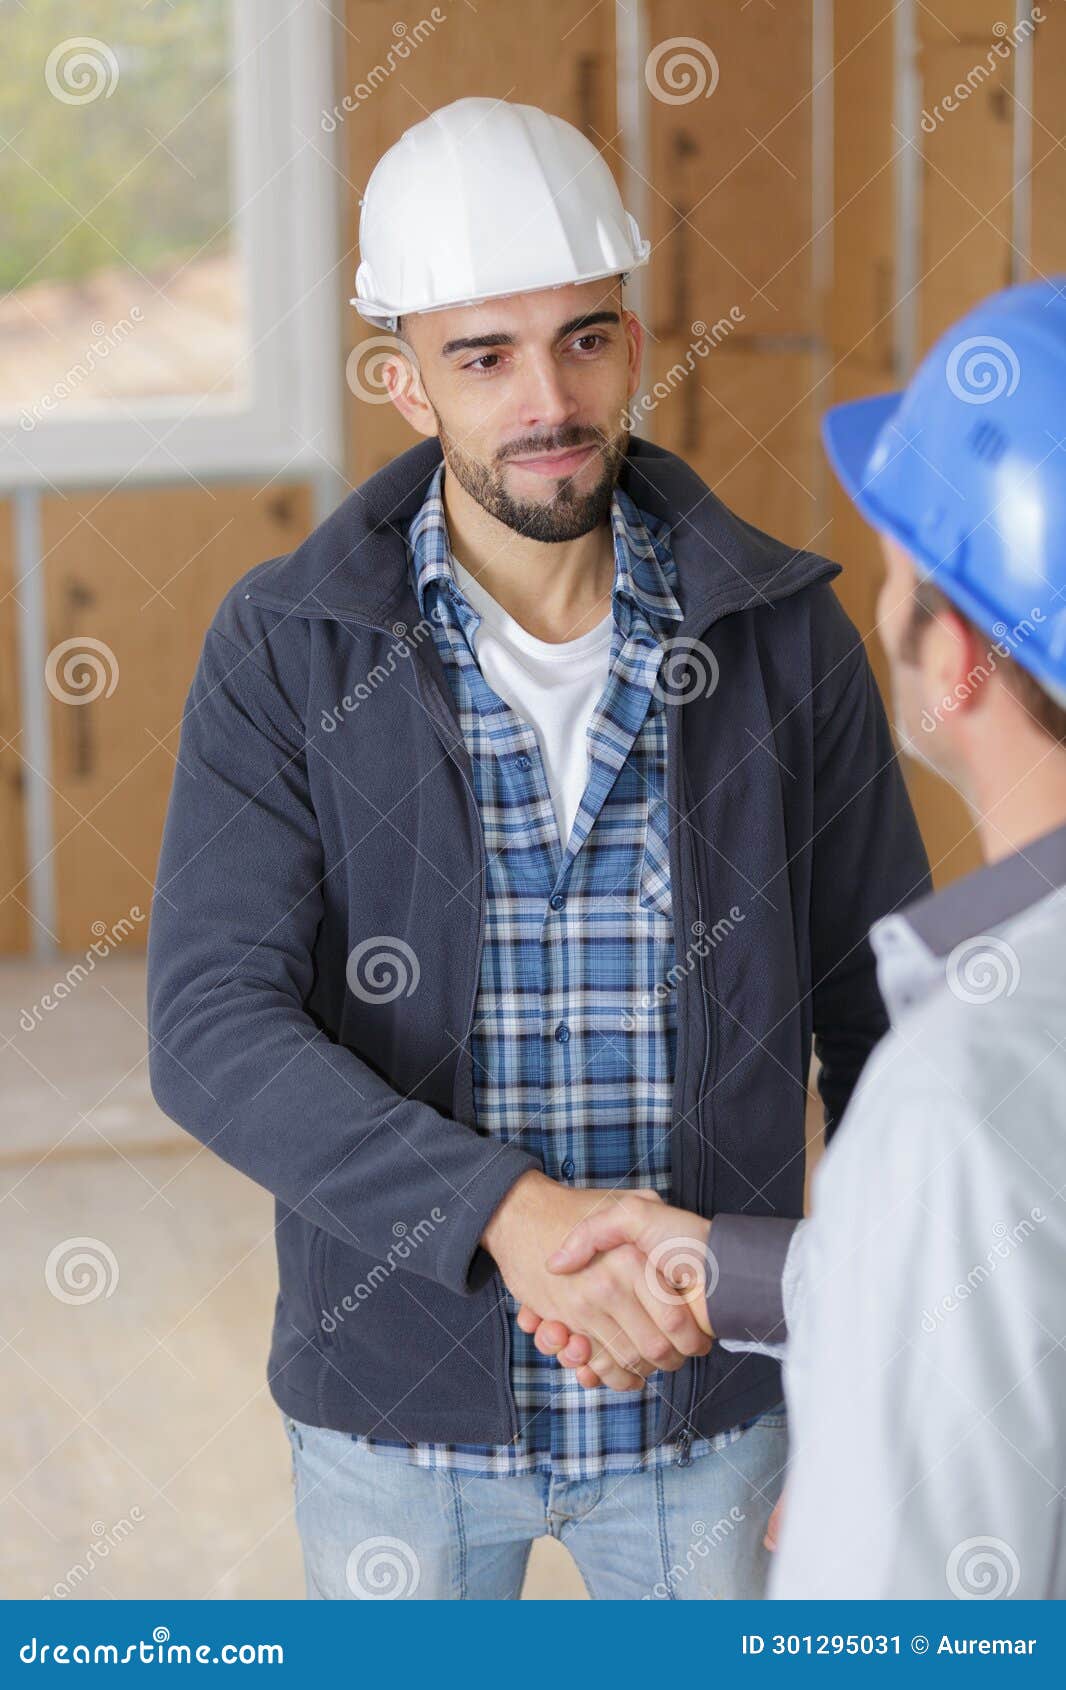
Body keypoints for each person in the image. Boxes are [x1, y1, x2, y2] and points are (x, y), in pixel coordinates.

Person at [146, 96, 928, 1601]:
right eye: (481, 356)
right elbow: (209, 1027)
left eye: (581, 337)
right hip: (397, 1416)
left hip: (715, 1405)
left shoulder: (778, 639)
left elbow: (881, 1027)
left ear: (633, 342)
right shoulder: (290, 649)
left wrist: (859, 1359)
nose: (545, 399)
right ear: (400, 379)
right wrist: (512, 1214)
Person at [523, 278, 1066, 1599]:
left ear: (957, 659)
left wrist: (844, 1446)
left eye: (897, 571)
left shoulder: (962, 1094)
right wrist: (748, 1272)